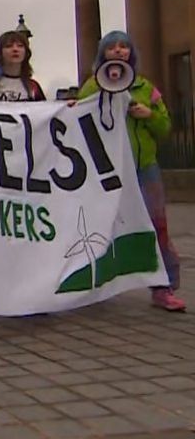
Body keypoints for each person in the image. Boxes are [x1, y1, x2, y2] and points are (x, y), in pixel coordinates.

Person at [77, 31, 184, 312]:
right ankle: (91, 285)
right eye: (112, 48)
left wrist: (150, 115)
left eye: (124, 47)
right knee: (98, 227)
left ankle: (165, 287)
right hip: (108, 172)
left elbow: (165, 127)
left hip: (144, 168)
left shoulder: (146, 88)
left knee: (157, 226)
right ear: (103, 55)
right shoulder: (92, 87)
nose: (119, 51)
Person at [0, 31, 45, 102]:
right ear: (0, 53)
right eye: (8, 46)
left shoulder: (32, 86)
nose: (15, 49)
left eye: (20, 46)